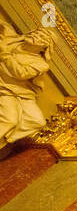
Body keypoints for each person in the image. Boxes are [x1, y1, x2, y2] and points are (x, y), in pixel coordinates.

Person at [0, 21, 52, 149]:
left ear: (44, 47)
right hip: (5, 88)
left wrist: (4, 53)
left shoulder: (41, 64)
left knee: (38, 121)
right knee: (10, 120)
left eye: (41, 37)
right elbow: (5, 26)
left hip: (21, 93)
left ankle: (7, 138)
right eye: (36, 33)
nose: (35, 36)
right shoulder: (11, 41)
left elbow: (20, 73)